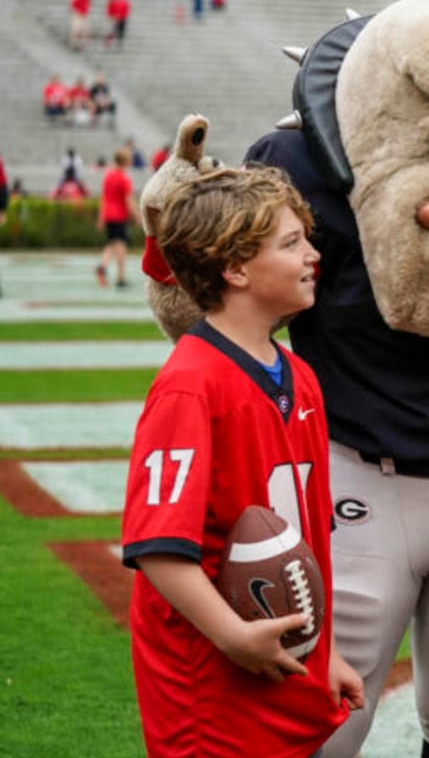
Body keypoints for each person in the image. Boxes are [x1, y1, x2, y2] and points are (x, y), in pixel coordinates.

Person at [120, 166, 364, 758]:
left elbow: (307, 531)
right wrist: (234, 637)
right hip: (209, 664)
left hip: (273, 648)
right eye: (291, 244)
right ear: (234, 269)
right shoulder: (190, 385)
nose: (312, 254)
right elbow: (158, 548)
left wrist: (325, 649)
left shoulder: (299, 376)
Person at [95, 148, 140, 288]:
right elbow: (128, 200)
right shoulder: (124, 178)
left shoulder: (108, 176)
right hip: (119, 215)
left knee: (112, 243)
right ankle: (121, 278)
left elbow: (104, 198)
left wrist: (101, 217)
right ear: (126, 161)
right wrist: (137, 215)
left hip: (109, 214)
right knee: (121, 246)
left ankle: (102, 265)